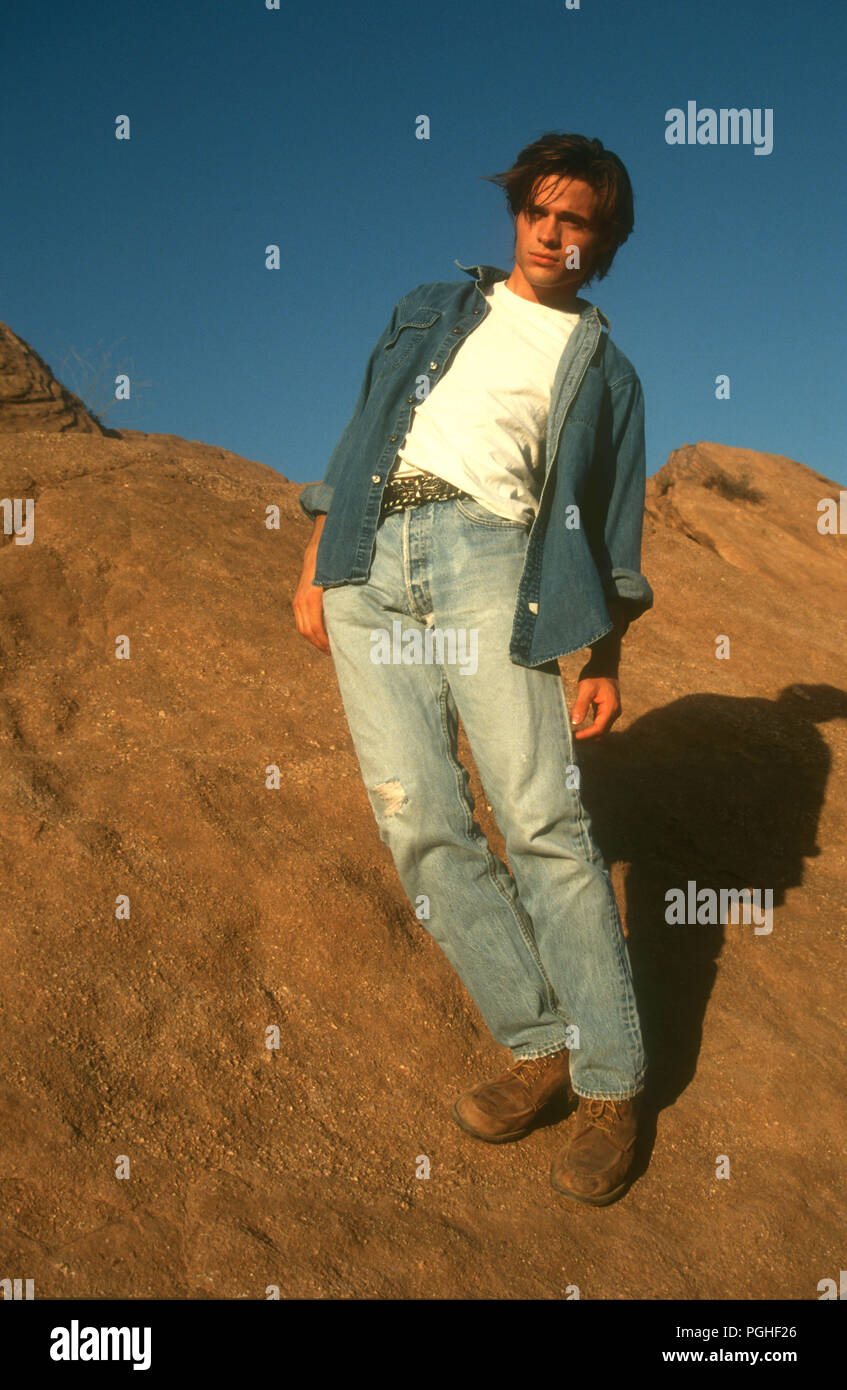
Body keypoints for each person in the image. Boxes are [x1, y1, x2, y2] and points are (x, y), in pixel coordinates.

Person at [293, 132, 653, 1206]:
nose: (550, 233)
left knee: (541, 819)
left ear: (601, 240)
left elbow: (616, 526)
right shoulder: (427, 306)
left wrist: (609, 649)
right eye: (536, 211)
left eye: (575, 219)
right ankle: (536, 1040)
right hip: (370, 558)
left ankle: (609, 1079)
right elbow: (363, 430)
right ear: (515, 217)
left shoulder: (606, 371)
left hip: (492, 556)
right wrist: (316, 556)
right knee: (418, 818)